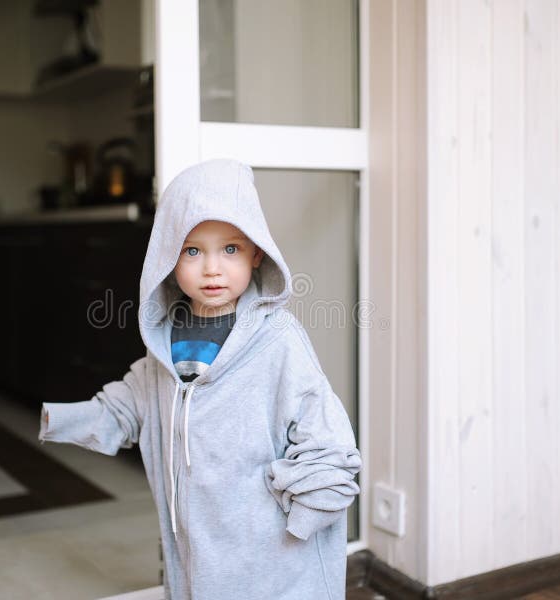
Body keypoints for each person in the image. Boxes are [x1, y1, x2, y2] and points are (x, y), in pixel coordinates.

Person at [39, 158, 361, 599]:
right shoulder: (167, 341)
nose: (212, 268)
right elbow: (130, 405)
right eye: (193, 250)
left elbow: (325, 438)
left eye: (230, 249)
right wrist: (63, 420)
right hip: (196, 539)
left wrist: (302, 518)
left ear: (256, 253)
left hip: (270, 546)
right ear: (169, 259)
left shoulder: (278, 341)